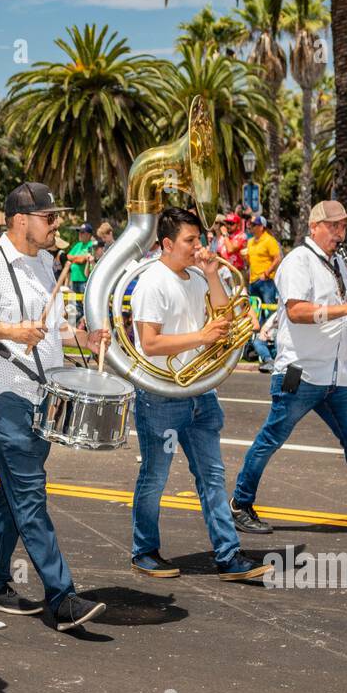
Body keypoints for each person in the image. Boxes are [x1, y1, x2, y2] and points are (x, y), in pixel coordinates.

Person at [0, 182, 112, 632]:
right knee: (30, 494)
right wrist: (11, 331)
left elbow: (52, 327)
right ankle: (62, 597)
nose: (55, 225)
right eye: (49, 217)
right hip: (2, 398)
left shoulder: (44, 263)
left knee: (13, 496)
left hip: (40, 398)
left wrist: (83, 337)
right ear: (22, 221)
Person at [230, 200, 347, 537]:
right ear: (314, 226)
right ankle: (240, 503)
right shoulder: (297, 262)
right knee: (273, 436)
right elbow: (297, 312)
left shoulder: (340, 265)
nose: (340, 233)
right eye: (334, 226)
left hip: (337, 374)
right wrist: (344, 306)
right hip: (298, 371)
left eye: (343, 227)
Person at [129, 206, 275, 582]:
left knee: (212, 475)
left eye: (200, 239)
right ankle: (144, 551)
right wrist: (200, 337)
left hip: (199, 391)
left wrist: (212, 274)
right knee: (155, 476)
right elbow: (150, 342)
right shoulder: (152, 282)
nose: (199, 247)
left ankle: (228, 556)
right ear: (166, 243)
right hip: (161, 395)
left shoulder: (196, 276)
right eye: (190, 241)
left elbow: (223, 315)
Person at [246, 214, 282, 306]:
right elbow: (250, 261)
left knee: (269, 308)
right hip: (253, 281)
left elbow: (277, 258)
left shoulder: (269, 240)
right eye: (250, 224)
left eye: (254, 225)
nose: (251, 227)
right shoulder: (250, 242)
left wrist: (267, 273)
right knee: (256, 311)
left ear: (262, 227)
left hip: (266, 281)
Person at [67, 222, 96, 319]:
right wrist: (78, 259)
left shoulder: (91, 245)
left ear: (88, 234)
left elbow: (83, 260)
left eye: (82, 232)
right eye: (79, 232)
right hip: (74, 280)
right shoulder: (78, 245)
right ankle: (78, 326)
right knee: (76, 306)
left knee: (84, 305)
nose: (79, 234)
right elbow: (68, 256)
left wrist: (76, 259)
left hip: (84, 280)